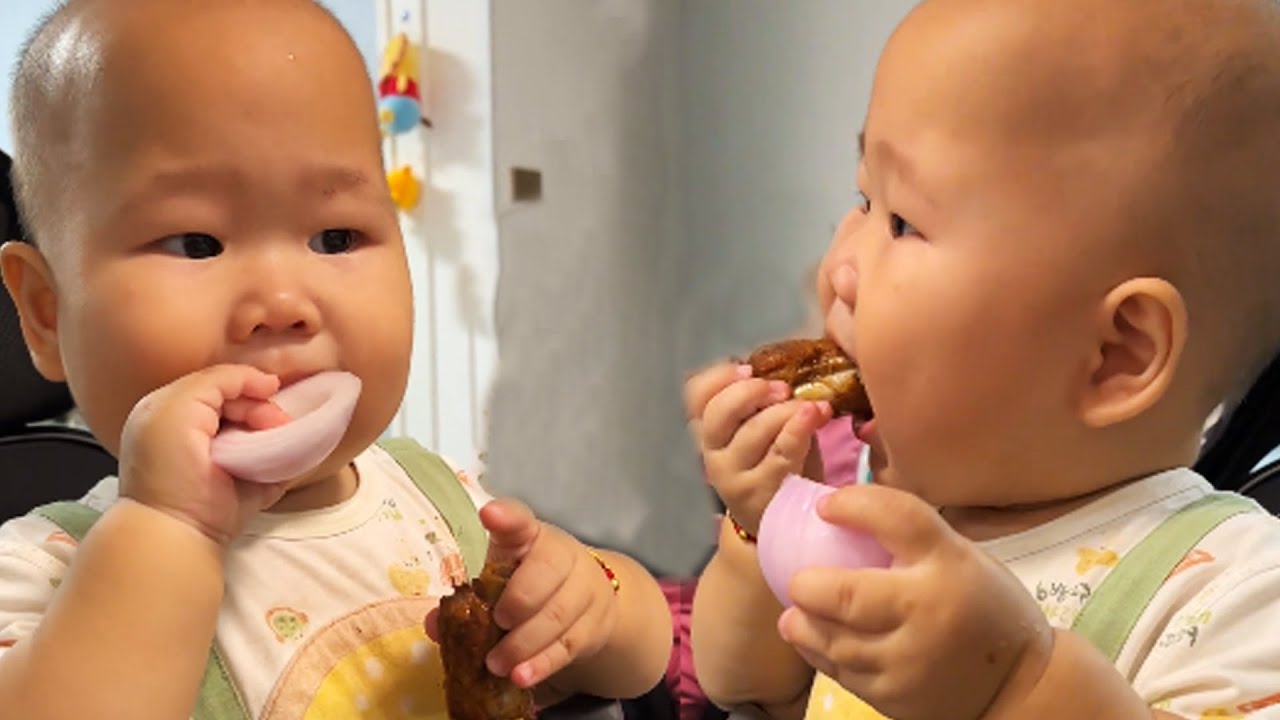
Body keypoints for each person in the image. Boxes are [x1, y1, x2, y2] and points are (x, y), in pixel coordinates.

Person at [0, 1, 672, 718]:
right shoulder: (43, 576)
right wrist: (169, 528)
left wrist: (590, 605)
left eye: (336, 238)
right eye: (197, 243)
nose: (285, 301)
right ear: (48, 313)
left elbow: (643, 659)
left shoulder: (441, 504)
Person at [685, 0, 1280, 718]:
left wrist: (1017, 685)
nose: (839, 263)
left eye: (903, 221)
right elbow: (746, 685)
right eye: (861, 197)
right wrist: (763, 525)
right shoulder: (887, 510)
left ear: (1114, 354)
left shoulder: (1230, 586)